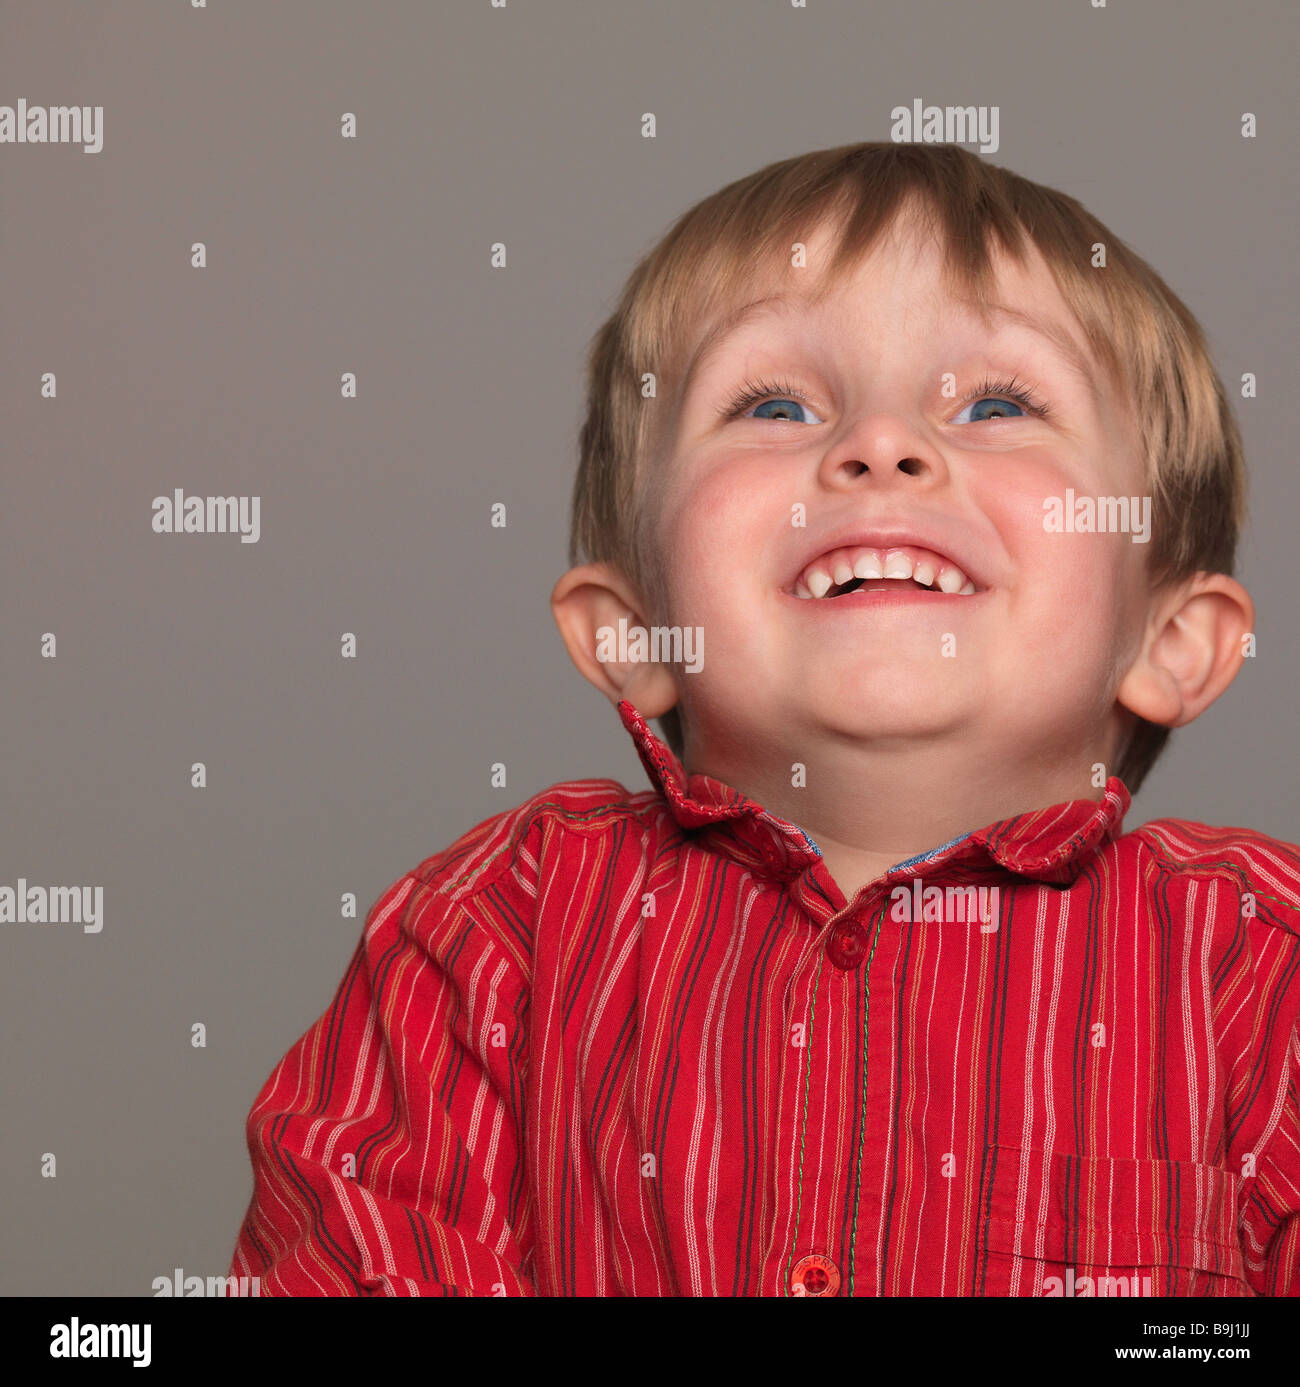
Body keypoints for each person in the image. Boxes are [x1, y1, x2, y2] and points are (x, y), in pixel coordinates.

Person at [228, 142, 1299, 1296]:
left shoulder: (1259, 971)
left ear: (1170, 642)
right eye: (773, 403)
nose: (880, 446)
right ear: (631, 633)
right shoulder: (496, 933)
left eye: (997, 402)